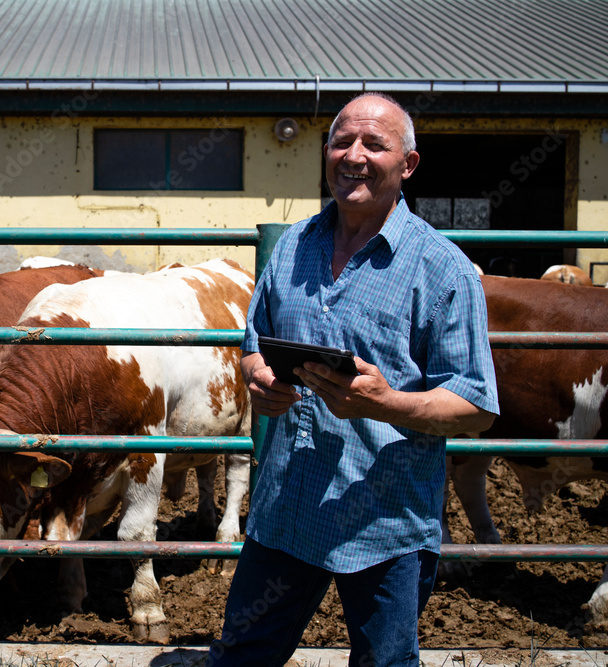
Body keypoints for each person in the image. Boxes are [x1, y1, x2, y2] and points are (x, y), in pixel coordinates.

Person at [208, 93, 499, 666]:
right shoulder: (292, 246)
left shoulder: (443, 270)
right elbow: (253, 341)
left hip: (385, 522)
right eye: (343, 142)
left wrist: (388, 403)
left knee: (383, 663)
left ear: (407, 165)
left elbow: (476, 404)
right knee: (242, 654)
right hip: (287, 509)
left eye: (375, 144)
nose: (354, 156)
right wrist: (258, 378)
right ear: (325, 152)